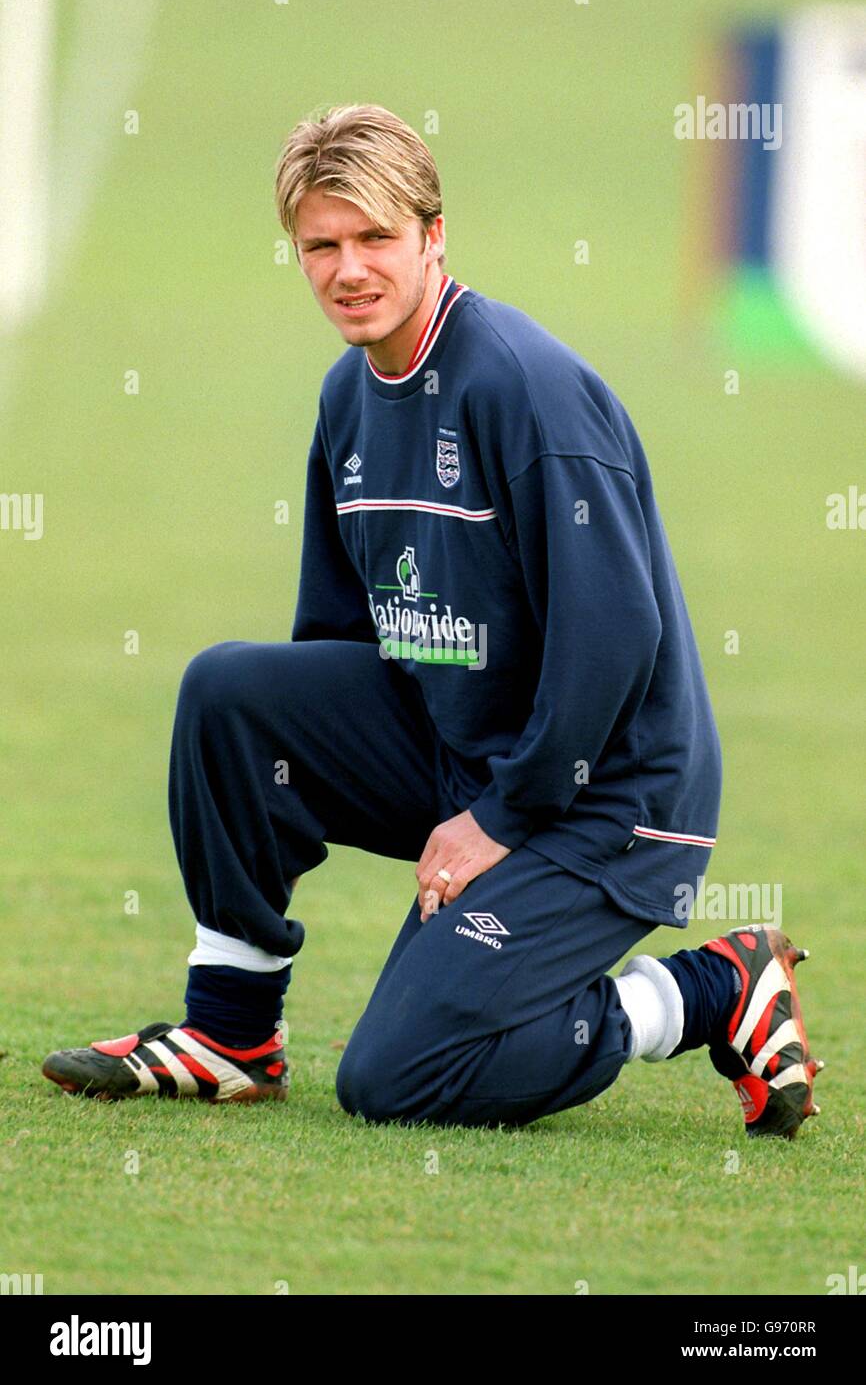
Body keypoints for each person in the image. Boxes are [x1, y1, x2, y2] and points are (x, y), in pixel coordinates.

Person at [42, 104, 822, 1138]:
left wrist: (497, 819)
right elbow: (335, 644)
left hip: (606, 799)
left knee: (395, 1076)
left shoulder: (521, 387)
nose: (347, 268)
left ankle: (706, 991)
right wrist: (327, 769)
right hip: (469, 757)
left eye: (375, 238)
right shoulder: (346, 397)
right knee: (231, 693)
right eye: (321, 245)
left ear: (432, 235)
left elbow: (613, 638)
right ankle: (228, 1033)